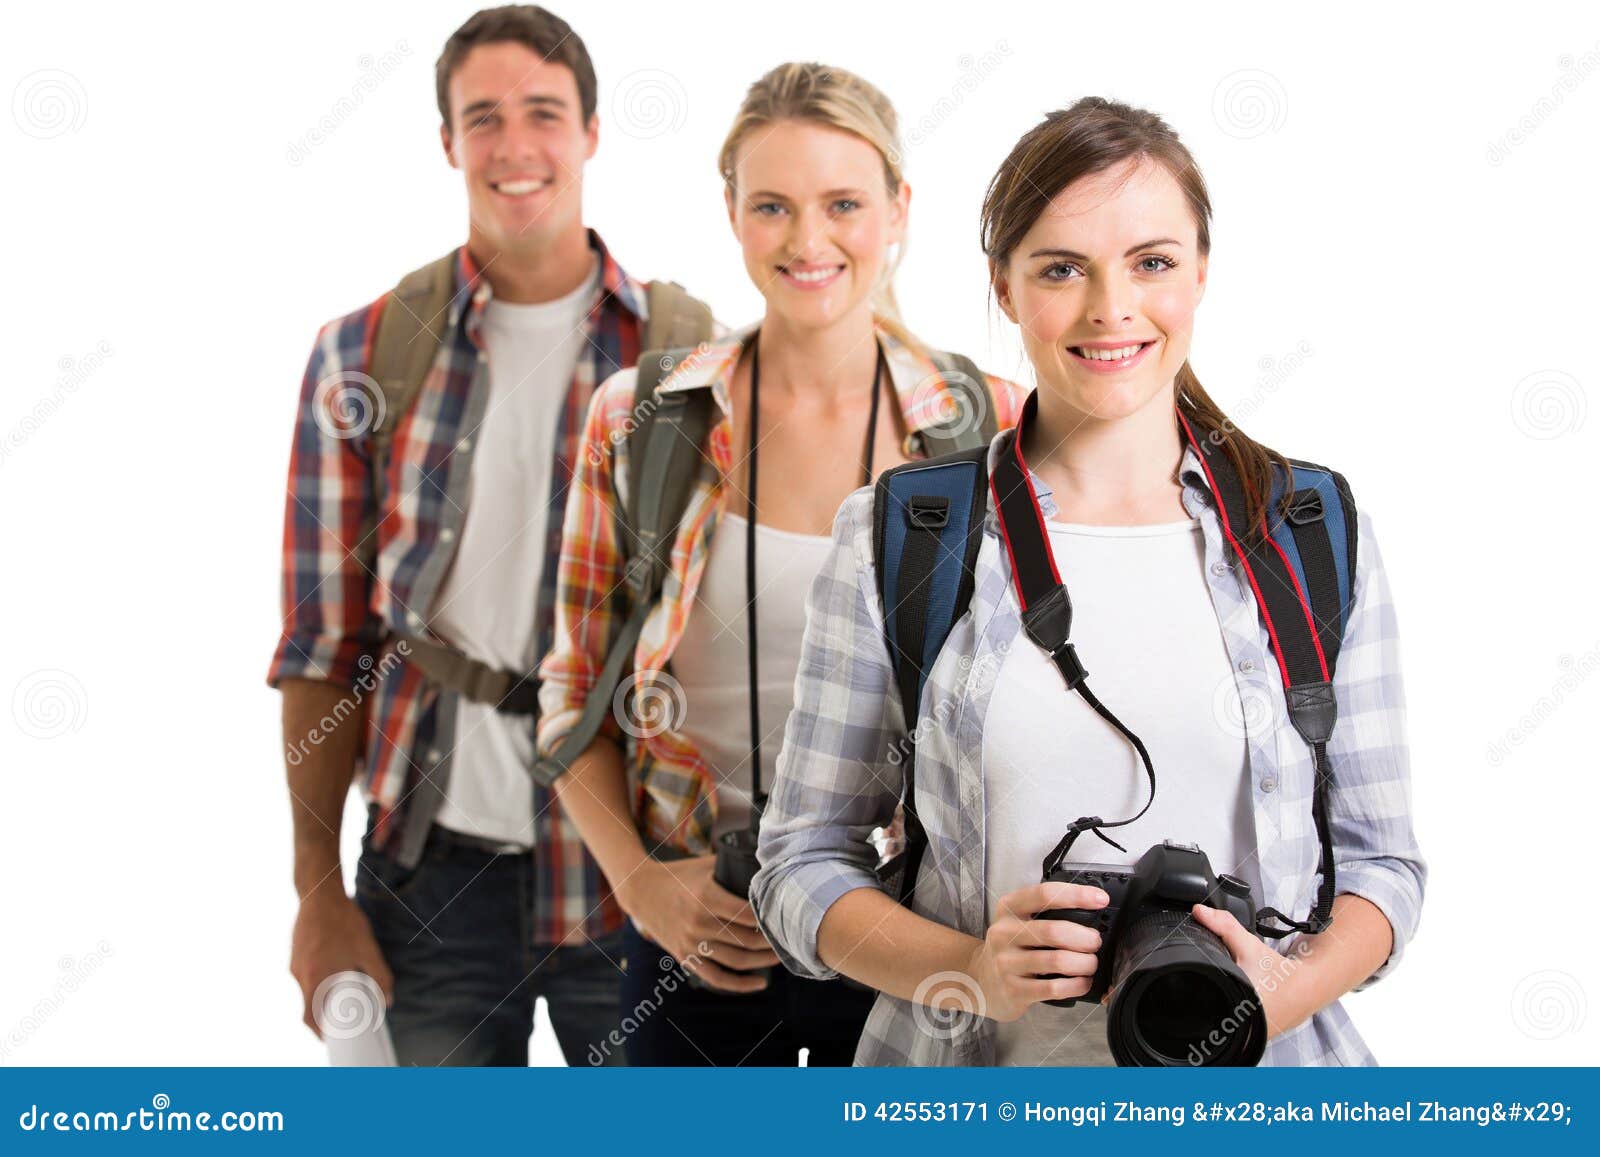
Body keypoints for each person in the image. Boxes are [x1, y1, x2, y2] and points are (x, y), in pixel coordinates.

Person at [750, 97, 1426, 1066]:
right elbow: (800, 862)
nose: (1111, 307)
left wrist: (1282, 992)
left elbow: (1381, 860)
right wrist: (968, 967)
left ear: (1200, 272)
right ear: (1005, 285)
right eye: (1062, 268)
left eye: (1151, 262)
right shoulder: (905, 533)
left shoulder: (1306, 527)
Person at [535, 62, 1026, 1066]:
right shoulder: (637, 420)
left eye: (842, 203)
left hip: (909, 922)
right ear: (731, 214)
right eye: (772, 206)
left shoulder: (1000, 427)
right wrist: (638, 881)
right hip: (699, 923)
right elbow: (570, 692)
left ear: (898, 208)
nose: (808, 241)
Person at [270, 5, 711, 1066]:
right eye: (484, 117)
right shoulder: (364, 355)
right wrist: (316, 898)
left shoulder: (689, 355)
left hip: (634, 880)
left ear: (592, 131)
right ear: (448, 142)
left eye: (544, 113)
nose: (515, 147)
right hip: (433, 879)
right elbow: (323, 649)